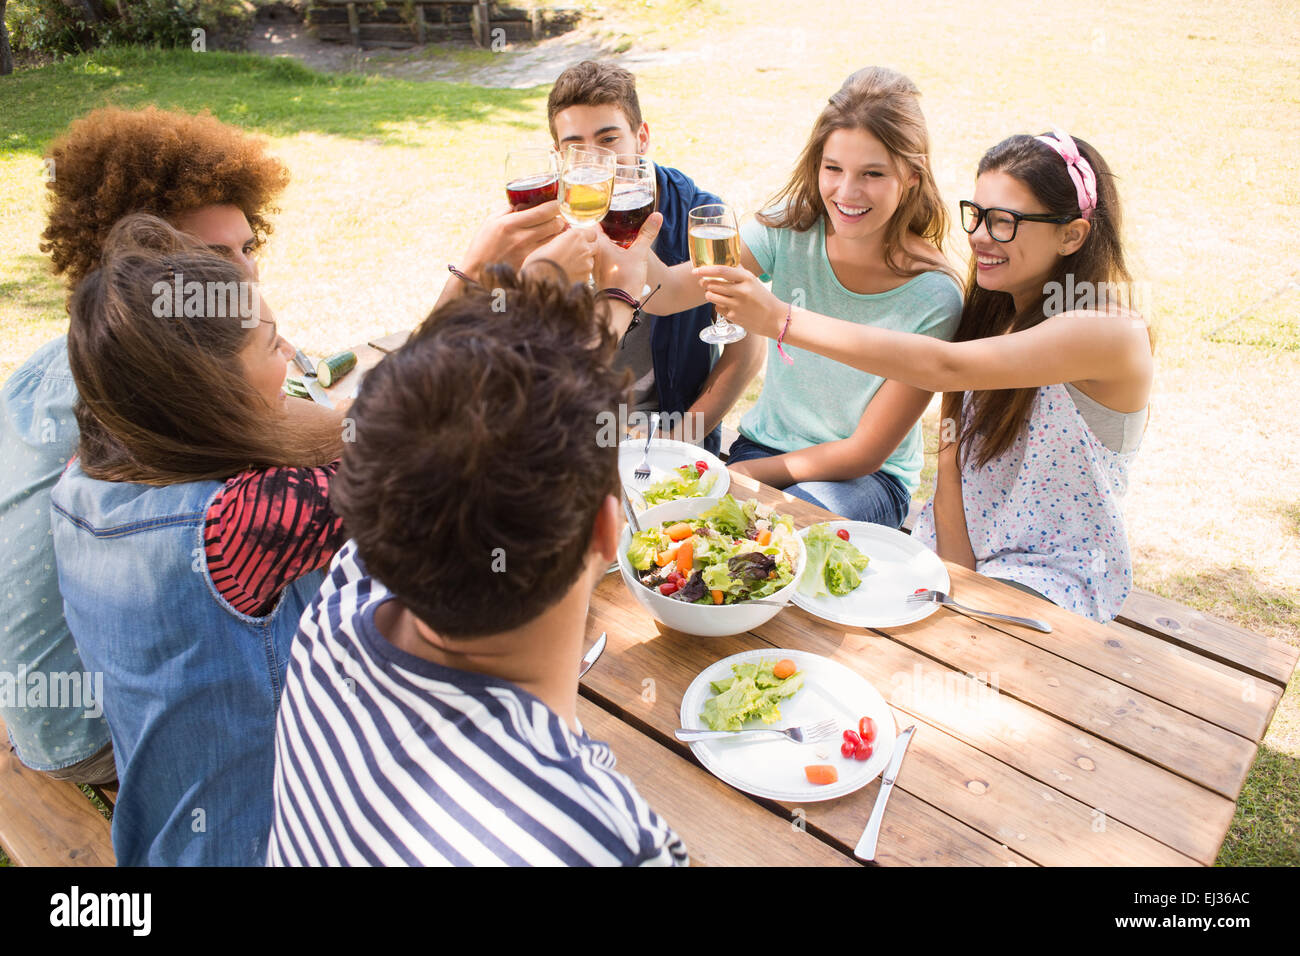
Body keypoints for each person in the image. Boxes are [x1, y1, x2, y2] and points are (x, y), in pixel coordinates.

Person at [267, 234, 689, 867]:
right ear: (610, 529)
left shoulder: (340, 603)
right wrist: (612, 303)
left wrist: (610, 306)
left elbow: (418, 428)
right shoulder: (611, 842)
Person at [698, 130, 1152, 622]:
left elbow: (944, 367)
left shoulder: (1111, 332)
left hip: (1054, 581)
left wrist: (782, 320)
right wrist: (956, 576)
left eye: (1005, 222)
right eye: (977, 215)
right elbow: (954, 455)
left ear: (1071, 234)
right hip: (951, 561)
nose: (979, 236)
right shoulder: (992, 315)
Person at [49, 214, 352, 865]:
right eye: (271, 345)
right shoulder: (239, 524)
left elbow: (323, 431)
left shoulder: (87, 471)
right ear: (211, 393)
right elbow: (416, 464)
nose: (290, 352)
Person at [646, 67, 962, 526]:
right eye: (832, 168)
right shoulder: (791, 228)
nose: (846, 192)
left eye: (872, 173)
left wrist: (744, 474)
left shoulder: (934, 294)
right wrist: (626, 249)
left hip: (865, 481)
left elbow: (865, 452)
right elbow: (671, 293)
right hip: (766, 446)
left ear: (912, 176)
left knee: (781, 537)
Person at [547, 60, 764, 455]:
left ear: (641, 138)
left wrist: (680, 439)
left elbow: (747, 351)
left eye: (609, 140)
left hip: (667, 432)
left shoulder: (700, 219)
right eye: (576, 148)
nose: (596, 162)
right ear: (560, 157)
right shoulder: (547, 223)